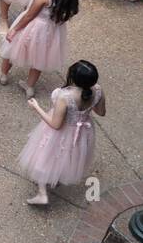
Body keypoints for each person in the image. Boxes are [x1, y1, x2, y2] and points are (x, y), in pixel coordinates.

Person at [17, 60, 105, 206]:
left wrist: (36, 107)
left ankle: (42, 193)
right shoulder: (98, 90)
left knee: (45, 157)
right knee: (68, 156)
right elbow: (101, 112)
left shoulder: (65, 96)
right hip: (83, 132)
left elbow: (55, 124)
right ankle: (56, 178)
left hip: (62, 133)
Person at [0, 0, 78, 97]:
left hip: (34, 26)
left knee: (12, 49)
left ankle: (3, 74)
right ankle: (30, 87)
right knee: (39, 58)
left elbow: (30, 15)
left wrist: (15, 29)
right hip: (52, 30)